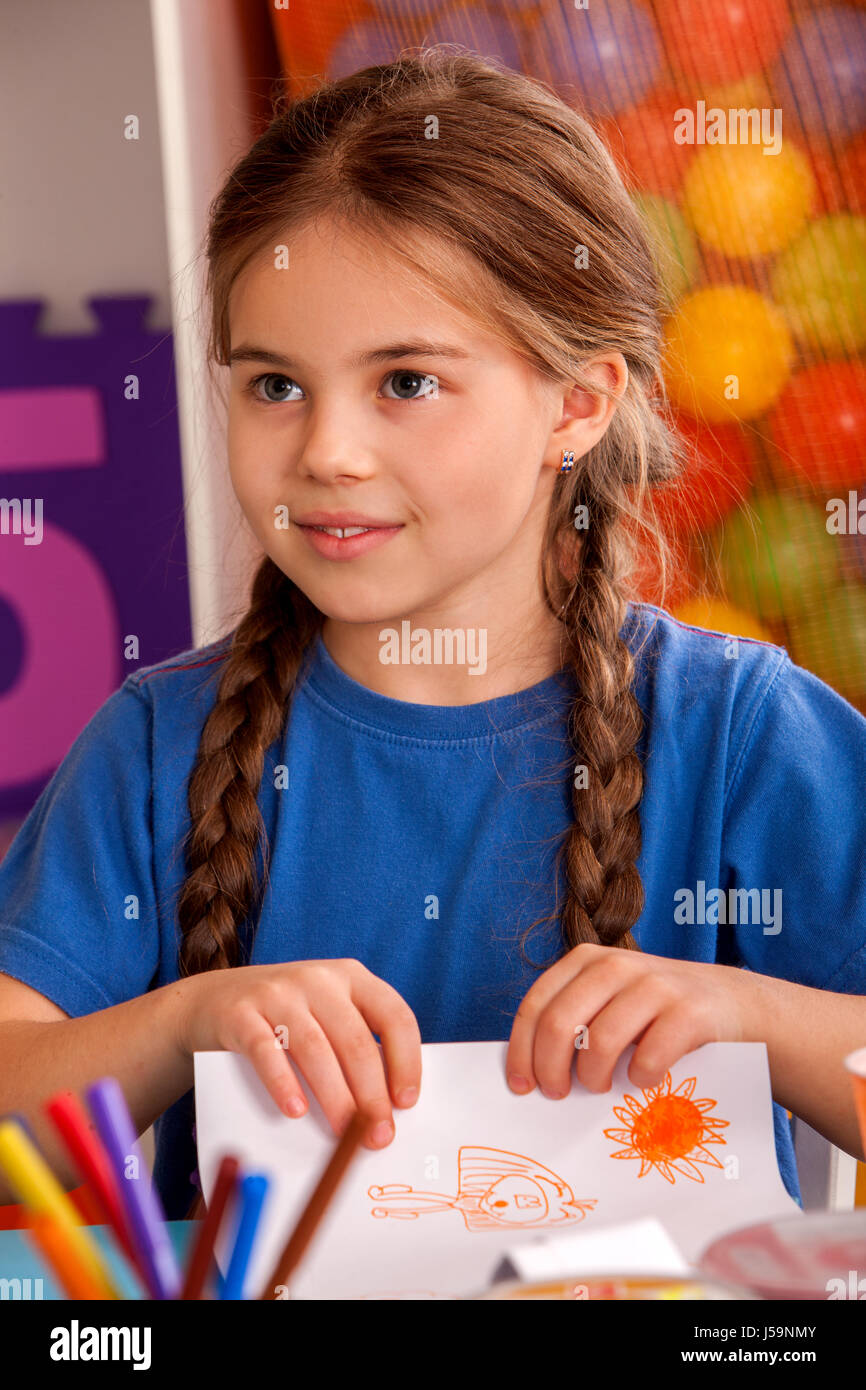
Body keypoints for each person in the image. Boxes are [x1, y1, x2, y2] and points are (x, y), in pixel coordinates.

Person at [1, 49, 864, 1224]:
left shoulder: (741, 730)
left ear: (578, 402)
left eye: (404, 381)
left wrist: (758, 1015)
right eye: (273, 385)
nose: (327, 453)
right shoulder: (159, 743)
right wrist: (182, 1023)